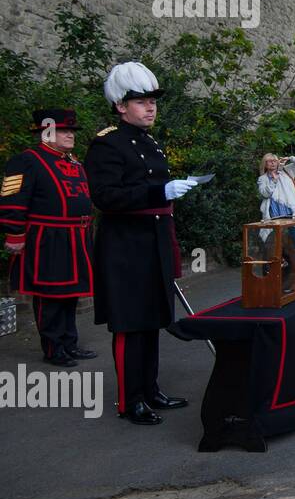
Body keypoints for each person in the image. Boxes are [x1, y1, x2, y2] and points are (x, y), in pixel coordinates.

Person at [84, 62, 197, 425]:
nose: (150, 107)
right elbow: (106, 197)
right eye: (140, 101)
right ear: (120, 106)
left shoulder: (150, 142)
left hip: (154, 243)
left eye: (152, 101)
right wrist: (158, 190)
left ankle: (150, 390)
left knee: (152, 320)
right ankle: (129, 401)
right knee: (130, 325)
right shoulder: (107, 144)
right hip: (126, 249)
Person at [1, 109, 96, 367]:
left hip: (76, 236)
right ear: (46, 133)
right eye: (64, 130)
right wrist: (14, 233)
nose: (70, 135)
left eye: (71, 131)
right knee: (51, 294)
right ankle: (53, 348)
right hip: (47, 238)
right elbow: (12, 200)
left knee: (70, 294)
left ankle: (69, 343)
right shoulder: (26, 161)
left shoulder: (73, 161)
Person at [257, 152, 295, 288]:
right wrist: (273, 180)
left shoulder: (287, 171)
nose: (272, 163)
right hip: (273, 218)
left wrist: (290, 158)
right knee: (271, 247)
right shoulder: (263, 179)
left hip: (292, 216)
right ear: (265, 165)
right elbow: (265, 193)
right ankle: (270, 277)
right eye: (269, 161)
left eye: (274, 160)